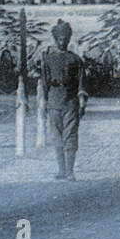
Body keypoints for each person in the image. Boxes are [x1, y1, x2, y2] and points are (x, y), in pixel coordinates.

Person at [40, 20, 88, 181]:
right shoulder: (48, 59)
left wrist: (82, 102)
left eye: (65, 38)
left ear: (69, 39)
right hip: (54, 101)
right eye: (59, 38)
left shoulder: (75, 60)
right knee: (56, 136)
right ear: (55, 39)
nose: (62, 41)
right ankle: (61, 170)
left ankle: (69, 171)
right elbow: (45, 83)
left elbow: (81, 82)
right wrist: (43, 104)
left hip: (70, 101)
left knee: (71, 135)